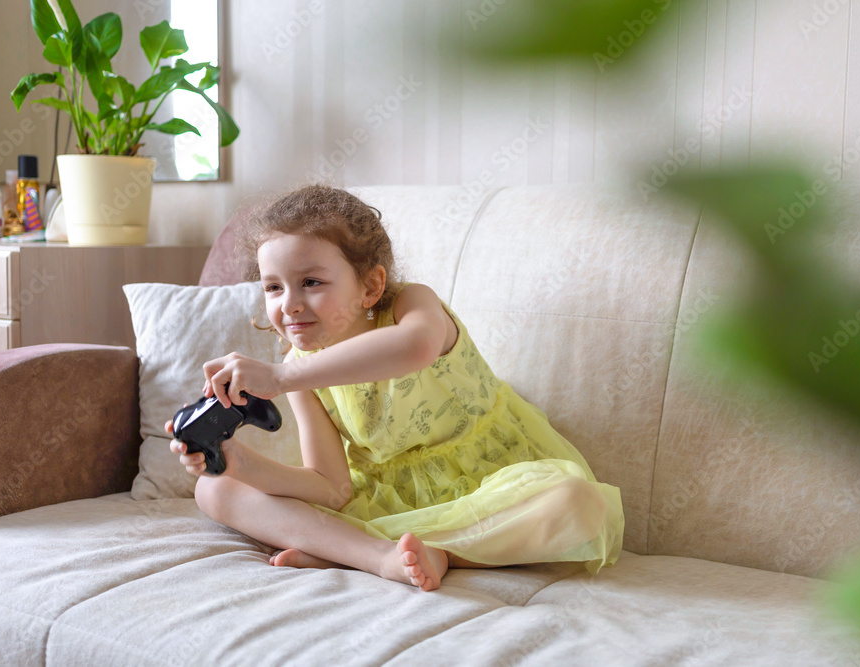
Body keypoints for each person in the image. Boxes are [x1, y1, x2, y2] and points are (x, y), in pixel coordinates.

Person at [165, 184, 624, 591]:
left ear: (371, 285)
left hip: (494, 489)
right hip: (389, 501)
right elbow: (331, 489)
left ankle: (384, 551)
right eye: (273, 288)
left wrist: (281, 378)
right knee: (213, 490)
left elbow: (416, 348)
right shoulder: (299, 368)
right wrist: (238, 462)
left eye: (310, 282)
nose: (290, 305)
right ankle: (378, 557)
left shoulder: (411, 305)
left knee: (580, 504)